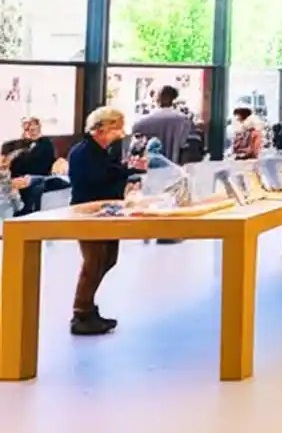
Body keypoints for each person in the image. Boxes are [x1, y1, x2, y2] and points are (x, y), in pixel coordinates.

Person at [67, 106, 147, 335]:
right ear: (101, 128)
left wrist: (128, 173)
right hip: (89, 213)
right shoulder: (82, 152)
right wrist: (124, 172)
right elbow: (94, 180)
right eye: (116, 128)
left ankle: (89, 308)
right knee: (93, 262)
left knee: (107, 259)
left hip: (108, 211)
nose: (120, 133)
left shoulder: (104, 152)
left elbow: (111, 174)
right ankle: (81, 312)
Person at [6, 116, 64, 217]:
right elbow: (11, 162)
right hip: (16, 177)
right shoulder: (20, 145)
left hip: (36, 177)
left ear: (38, 127)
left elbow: (42, 163)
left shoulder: (45, 143)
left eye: (33, 128)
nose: (30, 131)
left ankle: (26, 211)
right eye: (27, 128)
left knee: (30, 184)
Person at [133, 85, 193, 163]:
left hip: (151, 165)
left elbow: (135, 134)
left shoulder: (143, 121)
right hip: (175, 165)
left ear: (156, 99)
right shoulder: (184, 120)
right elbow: (184, 144)